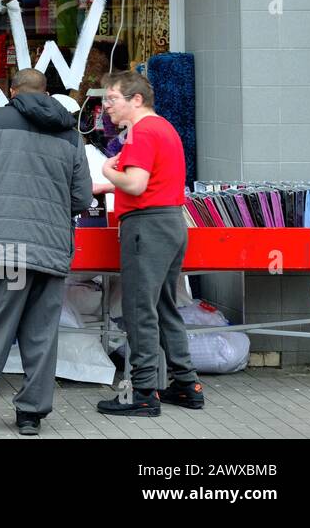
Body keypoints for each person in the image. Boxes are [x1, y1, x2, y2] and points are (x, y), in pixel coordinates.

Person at [0, 68, 92, 436]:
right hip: (52, 247)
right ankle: (30, 415)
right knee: (41, 332)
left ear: (12, 92)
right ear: (47, 92)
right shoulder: (71, 136)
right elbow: (82, 197)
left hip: (4, 246)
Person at [96, 70, 202, 417]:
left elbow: (137, 184)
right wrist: (110, 185)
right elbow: (151, 180)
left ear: (136, 100)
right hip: (170, 222)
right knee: (164, 306)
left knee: (140, 309)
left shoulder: (141, 132)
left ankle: (142, 393)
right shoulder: (164, 128)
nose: (106, 105)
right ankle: (186, 386)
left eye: (112, 98)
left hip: (146, 225)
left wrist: (107, 172)